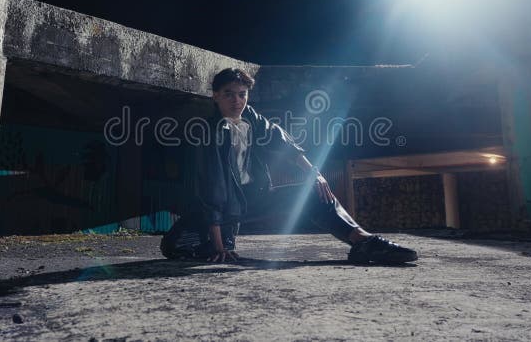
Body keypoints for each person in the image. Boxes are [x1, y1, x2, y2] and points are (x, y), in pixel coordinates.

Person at [160, 68, 418, 264]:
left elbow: (280, 138)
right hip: (219, 210)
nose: (236, 101)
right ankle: (213, 242)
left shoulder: (250, 117)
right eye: (228, 94)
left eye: (242, 94)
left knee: (312, 191)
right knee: (173, 246)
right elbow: (212, 189)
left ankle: (363, 241)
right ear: (215, 96)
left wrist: (315, 174)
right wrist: (219, 244)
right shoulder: (209, 132)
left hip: (253, 199)